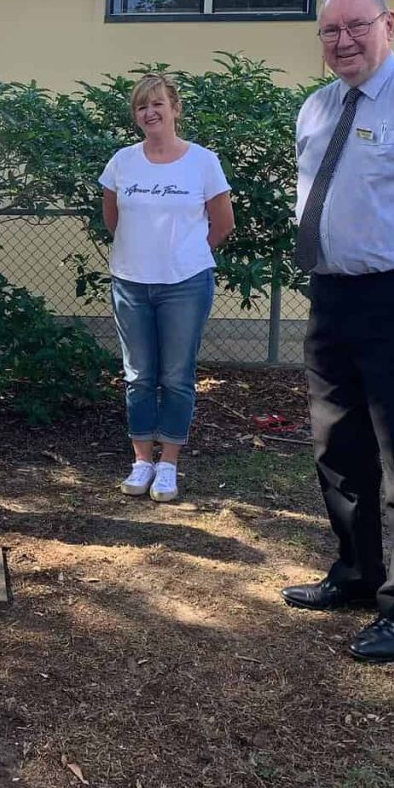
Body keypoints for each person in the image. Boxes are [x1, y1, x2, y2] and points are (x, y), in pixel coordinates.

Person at [280, 0, 394, 663]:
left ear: (389, 25)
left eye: (356, 27)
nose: (342, 41)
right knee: (337, 445)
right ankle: (357, 571)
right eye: (329, 31)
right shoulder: (316, 107)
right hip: (332, 294)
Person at [99, 73, 234, 503]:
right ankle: (141, 461)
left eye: (158, 104)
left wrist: (186, 253)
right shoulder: (122, 161)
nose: (150, 112)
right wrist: (142, 254)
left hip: (185, 284)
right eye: (142, 106)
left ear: (175, 108)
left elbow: (223, 223)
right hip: (131, 283)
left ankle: (169, 464)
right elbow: (112, 218)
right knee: (138, 377)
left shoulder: (203, 162)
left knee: (177, 377)